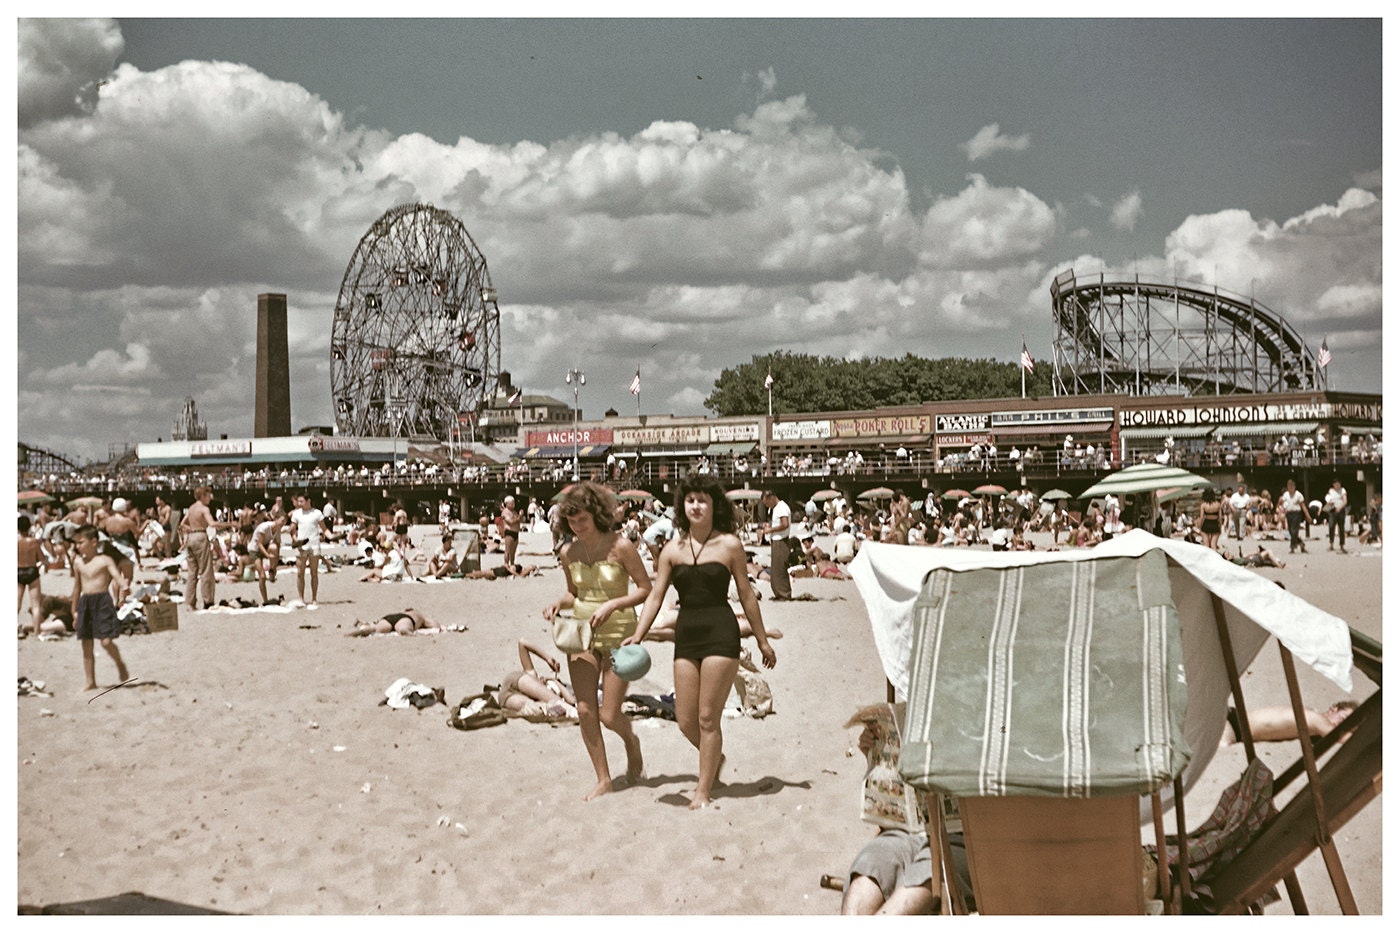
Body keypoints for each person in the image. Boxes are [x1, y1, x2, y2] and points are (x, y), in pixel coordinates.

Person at [628, 474, 776, 810]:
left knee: (708, 718)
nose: (696, 505)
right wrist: (639, 635)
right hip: (687, 635)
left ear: (713, 506)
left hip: (721, 632)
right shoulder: (671, 550)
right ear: (682, 505)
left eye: (703, 500)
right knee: (685, 719)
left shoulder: (729, 545)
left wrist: (763, 640)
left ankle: (702, 790)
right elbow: (654, 597)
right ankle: (714, 757)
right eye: (690, 499)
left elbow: (747, 595)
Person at [541, 482, 652, 801]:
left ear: (597, 515)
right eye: (572, 522)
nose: (577, 527)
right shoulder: (568, 551)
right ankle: (604, 778)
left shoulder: (621, 546)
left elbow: (645, 588)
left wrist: (612, 604)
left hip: (620, 634)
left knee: (609, 714)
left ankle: (631, 741)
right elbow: (573, 593)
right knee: (586, 709)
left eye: (583, 520)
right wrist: (557, 604)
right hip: (581, 633)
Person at [68, 525, 131, 691]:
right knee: (86, 644)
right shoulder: (78, 562)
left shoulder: (104, 560)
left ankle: (119, 662)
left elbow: (117, 576)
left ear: (94, 542)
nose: (77, 546)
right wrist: (74, 611)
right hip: (85, 602)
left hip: (102, 601)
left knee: (106, 641)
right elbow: (76, 588)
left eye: (81, 542)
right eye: (76, 543)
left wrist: (124, 585)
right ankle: (90, 681)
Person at [179, 486, 235, 610]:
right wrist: (230, 524)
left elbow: (182, 524)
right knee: (206, 571)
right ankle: (208, 601)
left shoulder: (191, 508)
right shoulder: (204, 509)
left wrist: (191, 529)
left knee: (192, 573)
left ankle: (190, 602)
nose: (210, 498)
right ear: (203, 496)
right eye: (208, 495)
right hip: (200, 535)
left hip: (190, 537)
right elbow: (212, 524)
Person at [496, 638, 578, 718]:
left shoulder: (542, 701)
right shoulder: (531, 674)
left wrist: (555, 681)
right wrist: (548, 658)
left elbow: (571, 700)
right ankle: (576, 714)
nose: (544, 680)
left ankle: (574, 713)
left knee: (536, 708)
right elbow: (522, 642)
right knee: (557, 702)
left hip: (505, 698)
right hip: (514, 682)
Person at [1220, 700, 1357, 747]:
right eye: (1343, 718)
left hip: (1235, 728)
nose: (1341, 726)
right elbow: (1341, 738)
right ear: (1333, 709)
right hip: (1231, 725)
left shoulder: (1311, 730)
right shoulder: (1315, 719)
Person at [288, 494, 329, 608]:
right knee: (300, 573)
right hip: (301, 546)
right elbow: (292, 529)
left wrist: (334, 536)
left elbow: (324, 529)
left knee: (314, 573)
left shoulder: (317, 513)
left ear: (308, 500)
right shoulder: (296, 514)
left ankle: (314, 599)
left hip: (314, 545)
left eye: (301, 501)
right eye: (299, 501)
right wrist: (295, 538)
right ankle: (301, 598)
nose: (299, 504)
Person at [759, 489, 792, 600]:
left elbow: (785, 524)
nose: (767, 505)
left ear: (772, 498)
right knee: (776, 569)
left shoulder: (781, 507)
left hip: (781, 541)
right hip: (777, 540)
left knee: (780, 569)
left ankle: (784, 593)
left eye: (767, 502)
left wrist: (771, 530)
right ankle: (779, 593)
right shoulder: (777, 508)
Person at [248, 514, 285, 605]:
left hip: (265, 547)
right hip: (255, 550)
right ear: (276, 519)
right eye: (281, 521)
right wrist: (267, 555)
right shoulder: (264, 527)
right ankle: (265, 600)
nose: (282, 523)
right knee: (262, 576)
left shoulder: (278, 530)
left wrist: (275, 565)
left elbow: (278, 545)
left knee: (274, 547)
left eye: (284, 522)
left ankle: (271, 571)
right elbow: (259, 544)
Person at [18, 515, 44, 636]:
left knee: (16, 603)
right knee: (35, 604)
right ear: (29, 527)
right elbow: (42, 558)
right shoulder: (34, 541)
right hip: (32, 571)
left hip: (18, 571)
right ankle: (37, 632)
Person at [346, 607, 441, 636]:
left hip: (389, 617)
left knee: (374, 628)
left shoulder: (402, 612)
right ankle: (406, 631)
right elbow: (436, 626)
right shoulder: (419, 615)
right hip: (405, 619)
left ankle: (363, 631)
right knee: (403, 627)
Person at [1276, 478, 1307, 554]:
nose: (1290, 487)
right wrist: (1280, 506)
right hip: (1289, 514)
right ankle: (1301, 544)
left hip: (1297, 514)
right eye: (1288, 485)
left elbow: (1303, 506)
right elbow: (1280, 503)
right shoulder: (1286, 494)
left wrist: (1307, 516)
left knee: (1294, 531)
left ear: (1294, 486)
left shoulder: (1298, 494)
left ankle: (1292, 547)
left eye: (1291, 485)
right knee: (1291, 531)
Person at [1324, 479, 1348, 552]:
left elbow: (1345, 501)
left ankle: (1341, 545)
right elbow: (1328, 499)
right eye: (1336, 484)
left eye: (1339, 483)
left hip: (1340, 510)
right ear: (1333, 484)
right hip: (1332, 510)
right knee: (1331, 526)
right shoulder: (1330, 490)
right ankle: (1331, 544)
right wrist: (1328, 503)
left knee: (1341, 528)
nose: (1337, 485)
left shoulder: (1342, 490)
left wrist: (1340, 507)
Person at [1197, 487, 1223, 552]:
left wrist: (1199, 527)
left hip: (1206, 523)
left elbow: (1201, 517)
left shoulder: (1203, 505)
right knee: (1213, 545)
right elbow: (1220, 518)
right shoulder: (1218, 504)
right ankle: (1215, 559)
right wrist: (1220, 527)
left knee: (1206, 545)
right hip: (1215, 524)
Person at [500, 495, 522, 569]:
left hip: (516, 532)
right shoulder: (505, 512)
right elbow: (511, 522)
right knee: (508, 550)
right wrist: (519, 516)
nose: (513, 504)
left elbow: (518, 521)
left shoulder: (514, 512)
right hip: (509, 532)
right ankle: (506, 564)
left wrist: (519, 517)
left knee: (513, 552)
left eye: (514, 502)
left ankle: (512, 563)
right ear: (507, 503)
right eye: (512, 503)